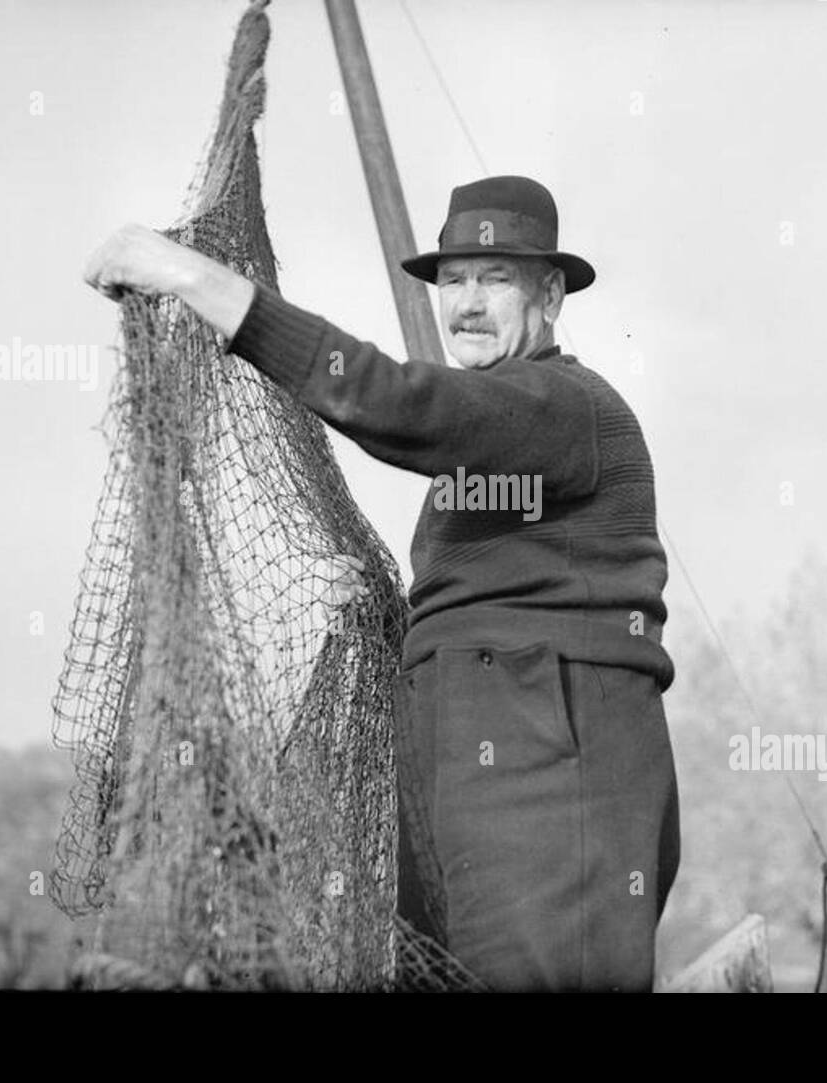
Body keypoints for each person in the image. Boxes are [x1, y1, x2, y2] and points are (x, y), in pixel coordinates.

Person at [84, 175, 679, 992]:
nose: (466, 301)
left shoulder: (563, 404)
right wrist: (386, 621)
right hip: (456, 788)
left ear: (550, 294)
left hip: (552, 792)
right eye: (453, 279)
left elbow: (404, 404)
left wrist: (192, 278)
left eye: (495, 278)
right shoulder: (497, 446)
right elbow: (495, 597)